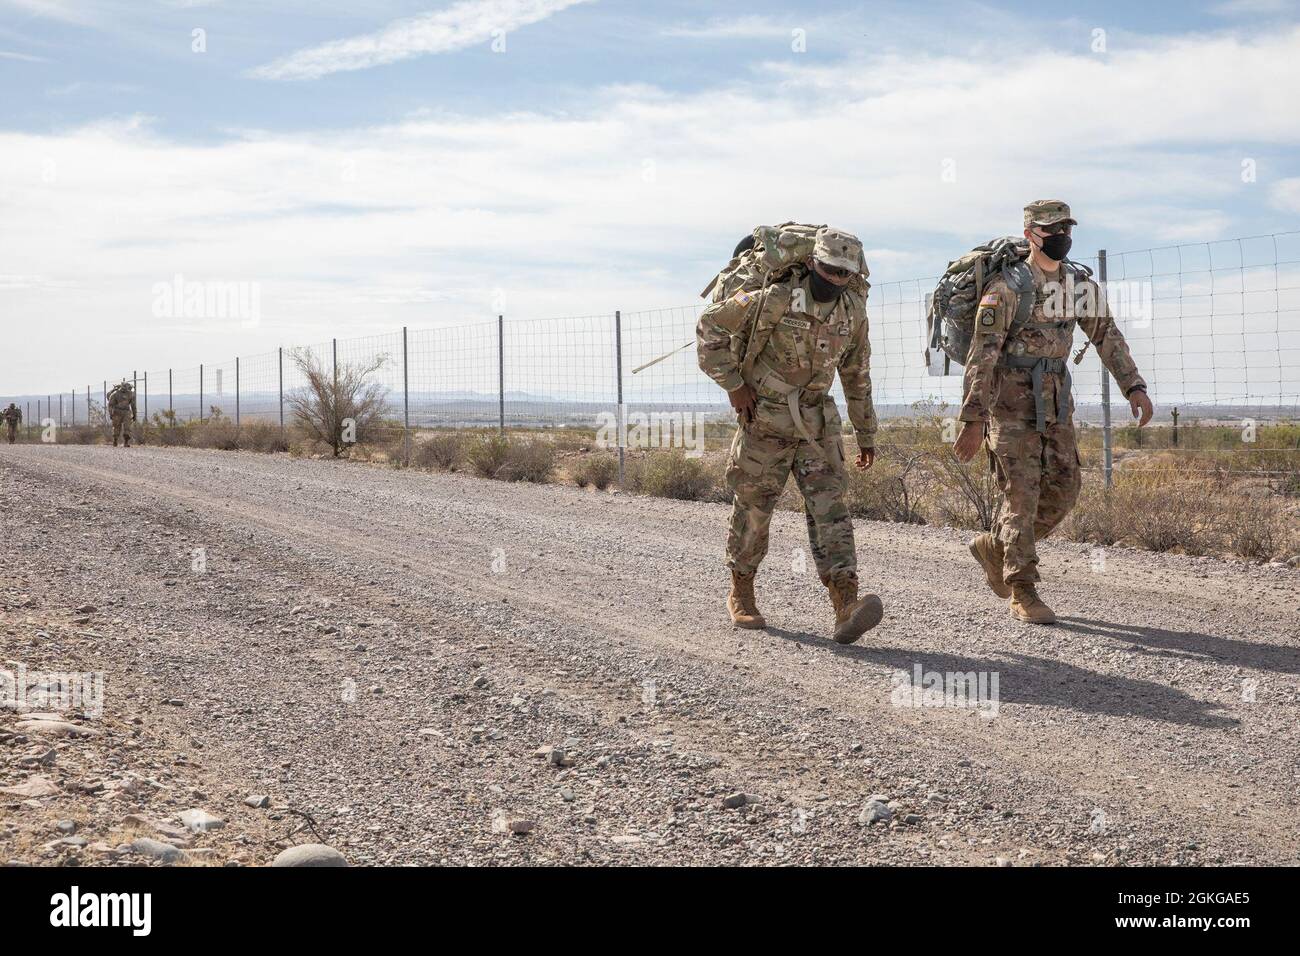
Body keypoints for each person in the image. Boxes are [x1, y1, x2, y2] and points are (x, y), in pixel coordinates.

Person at [953, 200, 1153, 623]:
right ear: (1031, 235)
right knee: (1020, 496)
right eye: (1052, 229)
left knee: (1064, 490)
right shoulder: (1006, 289)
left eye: (1066, 228)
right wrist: (973, 419)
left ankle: (996, 547)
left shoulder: (1078, 288)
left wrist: (1133, 385)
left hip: (1057, 407)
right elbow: (981, 357)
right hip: (1009, 408)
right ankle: (1022, 589)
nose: (1062, 236)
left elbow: (1107, 337)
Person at [697, 226, 884, 644]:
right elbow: (710, 326)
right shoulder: (777, 297)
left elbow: (857, 376)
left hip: (818, 424)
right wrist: (733, 384)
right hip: (764, 419)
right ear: (814, 263)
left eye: (844, 274)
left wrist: (866, 432)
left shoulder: (852, 311)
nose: (835, 279)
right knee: (754, 508)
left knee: (831, 511)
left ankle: (846, 605)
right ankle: (741, 591)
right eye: (829, 270)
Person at [107, 380, 138, 448]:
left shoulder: (130, 394)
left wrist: (134, 414)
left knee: (127, 427)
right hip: (117, 412)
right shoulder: (115, 394)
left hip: (126, 412)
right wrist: (111, 413)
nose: (128, 389)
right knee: (116, 427)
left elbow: (133, 405)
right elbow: (110, 405)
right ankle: (115, 440)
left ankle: (126, 442)